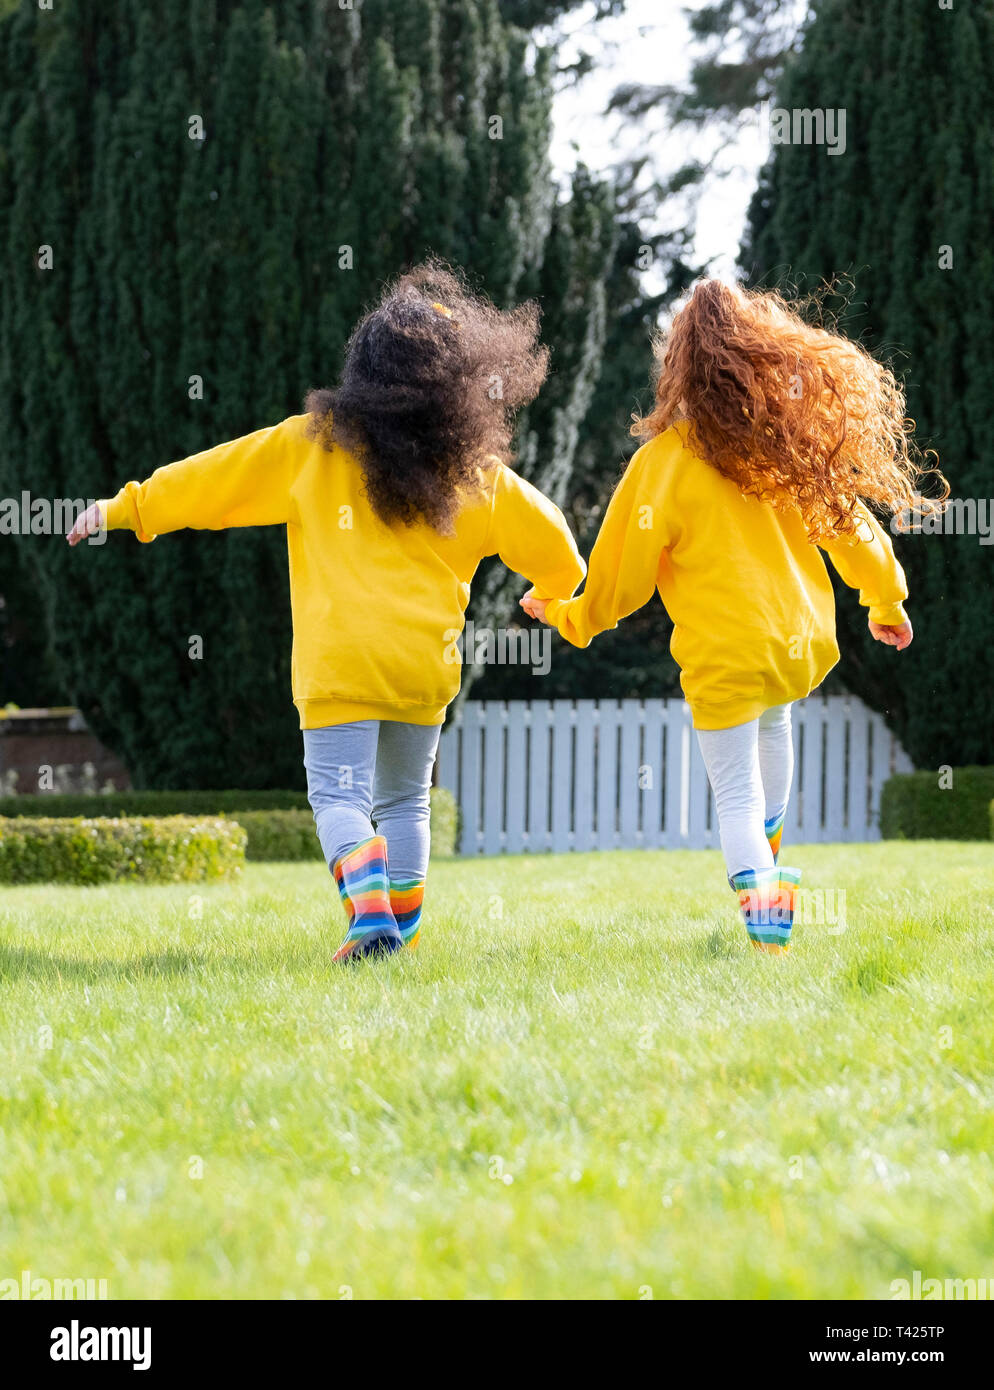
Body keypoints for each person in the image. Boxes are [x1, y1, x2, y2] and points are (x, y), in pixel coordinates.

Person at [68, 263, 585, 962]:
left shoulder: (312, 444)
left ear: (365, 369)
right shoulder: (479, 475)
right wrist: (554, 588)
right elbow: (555, 539)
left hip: (341, 662)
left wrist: (124, 508)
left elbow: (211, 480)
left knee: (339, 797)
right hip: (422, 670)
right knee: (407, 803)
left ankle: (370, 919)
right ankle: (397, 932)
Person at [523, 280, 945, 954]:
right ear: (760, 355)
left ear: (678, 366)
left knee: (736, 796)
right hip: (796, 648)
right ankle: (770, 875)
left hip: (726, 657)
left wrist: (571, 616)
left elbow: (620, 580)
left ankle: (766, 912)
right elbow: (854, 533)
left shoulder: (661, 464)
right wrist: (886, 600)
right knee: (773, 728)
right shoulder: (788, 446)